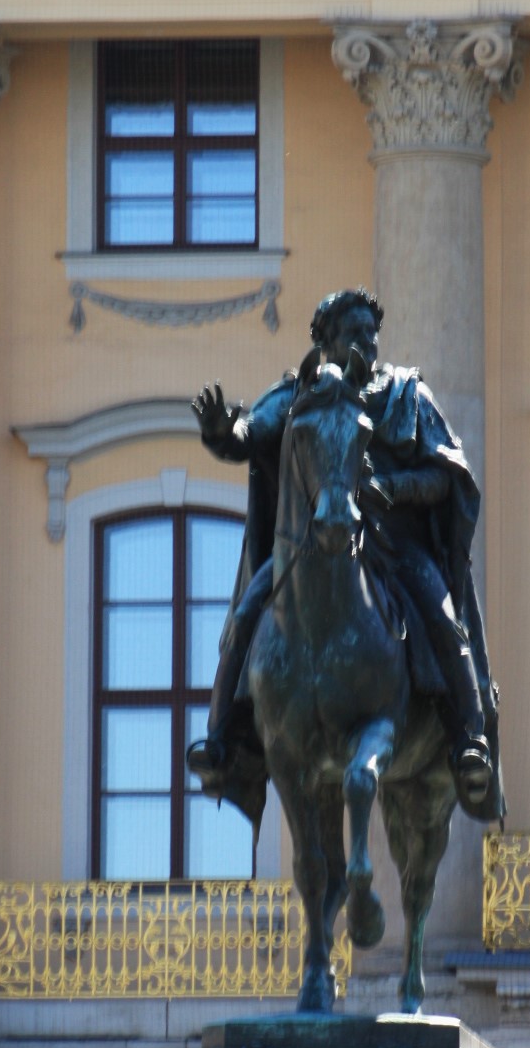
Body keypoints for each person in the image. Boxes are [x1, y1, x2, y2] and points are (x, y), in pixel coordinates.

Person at [186, 286, 501, 826]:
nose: (367, 342)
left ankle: (471, 741)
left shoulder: (405, 395)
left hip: (395, 548)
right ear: (326, 341)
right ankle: (220, 739)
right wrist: (222, 431)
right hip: (311, 551)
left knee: (446, 622)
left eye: (371, 333)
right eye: (354, 332)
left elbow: (445, 479)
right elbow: (250, 433)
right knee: (244, 616)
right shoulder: (299, 395)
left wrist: (393, 488)